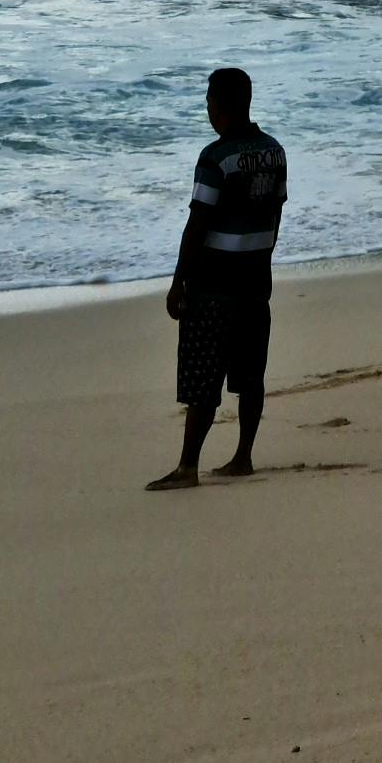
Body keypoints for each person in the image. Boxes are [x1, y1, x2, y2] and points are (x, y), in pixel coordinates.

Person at [152, 64, 287, 490]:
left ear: (220, 105)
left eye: (210, 99)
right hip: (255, 279)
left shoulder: (216, 157)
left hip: (215, 283)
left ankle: (188, 466)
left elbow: (198, 224)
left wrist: (179, 281)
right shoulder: (274, 150)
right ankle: (243, 456)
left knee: (203, 378)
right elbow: (276, 211)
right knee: (251, 375)